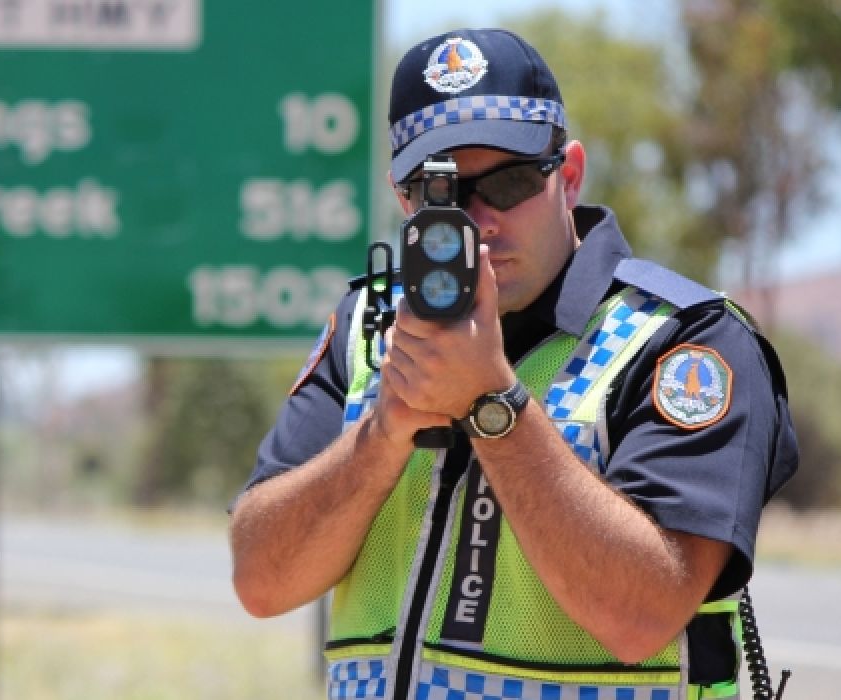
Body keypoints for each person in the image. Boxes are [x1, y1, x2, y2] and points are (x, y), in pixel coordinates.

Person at [229, 27, 798, 700]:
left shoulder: (681, 340)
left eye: (510, 181)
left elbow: (641, 614)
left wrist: (492, 405)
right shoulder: (368, 330)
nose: (477, 220)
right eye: (439, 192)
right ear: (402, 198)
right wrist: (384, 435)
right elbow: (262, 582)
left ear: (571, 173)